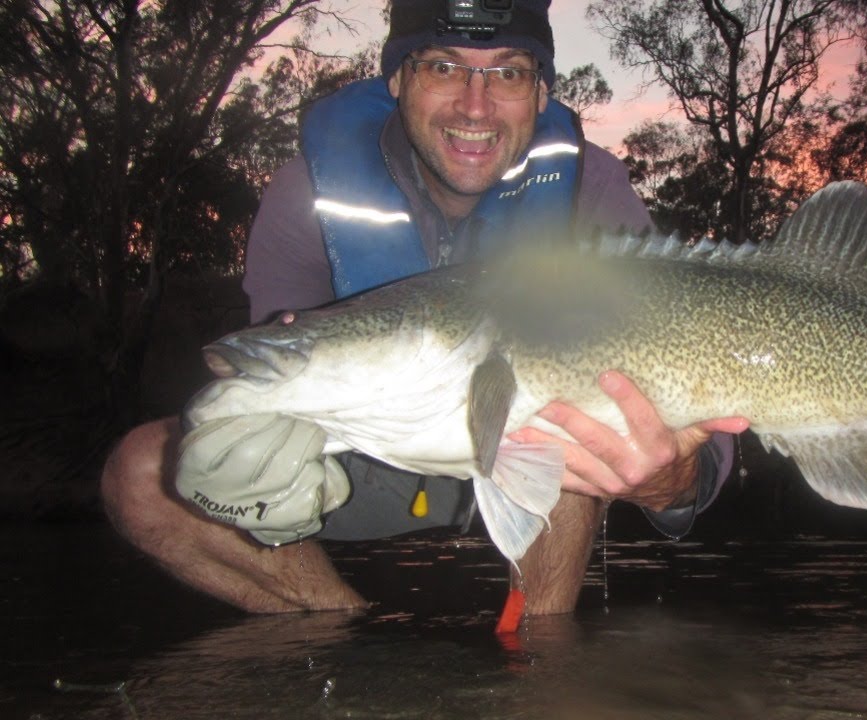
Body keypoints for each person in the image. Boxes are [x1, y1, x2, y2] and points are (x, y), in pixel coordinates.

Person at [100, 0, 748, 618]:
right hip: (364, 459)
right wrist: (255, 462)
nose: (476, 104)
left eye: (509, 74)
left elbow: (707, 432)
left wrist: (674, 483)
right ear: (397, 80)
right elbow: (283, 371)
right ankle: (343, 640)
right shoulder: (308, 196)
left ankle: (541, 664)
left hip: (535, 455)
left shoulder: (590, 190)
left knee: (557, 409)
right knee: (144, 474)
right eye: (443, 67)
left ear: (543, 94)